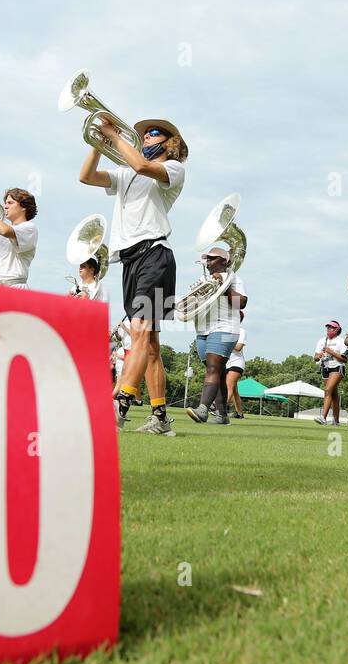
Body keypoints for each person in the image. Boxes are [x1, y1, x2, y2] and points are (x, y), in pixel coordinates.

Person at [80, 118, 188, 437]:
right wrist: (97, 144)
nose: (145, 136)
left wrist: (114, 135)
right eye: (142, 133)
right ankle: (160, 418)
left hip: (155, 255)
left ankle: (120, 406)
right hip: (130, 260)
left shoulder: (173, 168)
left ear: (169, 141)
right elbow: (86, 176)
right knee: (151, 345)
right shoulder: (126, 172)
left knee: (139, 333)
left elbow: (141, 164)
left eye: (153, 132)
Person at [186, 247, 246, 426]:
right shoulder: (202, 280)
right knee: (217, 371)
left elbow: (241, 303)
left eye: (212, 259)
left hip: (226, 329)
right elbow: (192, 303)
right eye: (207, 259)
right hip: (203, 330)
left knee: (213, 368)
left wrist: (223, 287)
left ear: (223, 261)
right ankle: (222, 416)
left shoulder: (233, 278)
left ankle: (203, 409)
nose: (208, 262)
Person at [313, 321, 348, 426]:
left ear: (337, 329)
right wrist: (318, 356)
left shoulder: (341, 341)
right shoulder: (321, 341)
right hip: (325, 367)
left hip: (337, 367)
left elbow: (344, 359)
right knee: (333, 394)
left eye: (331, 327)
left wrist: (331, 352)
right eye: (327, 327)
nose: (328, 329)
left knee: (327, 390)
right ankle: (336, 421)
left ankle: (323, 418)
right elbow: (315, 358)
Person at [225, 310, 248, 419]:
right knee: (234, 390)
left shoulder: (241, 331)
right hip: (227, 364)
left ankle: (221, 410)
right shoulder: (226, 332)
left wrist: (227, 342)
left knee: (228, 386)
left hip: (237, 363)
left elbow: (238, 347)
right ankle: (240, 413)